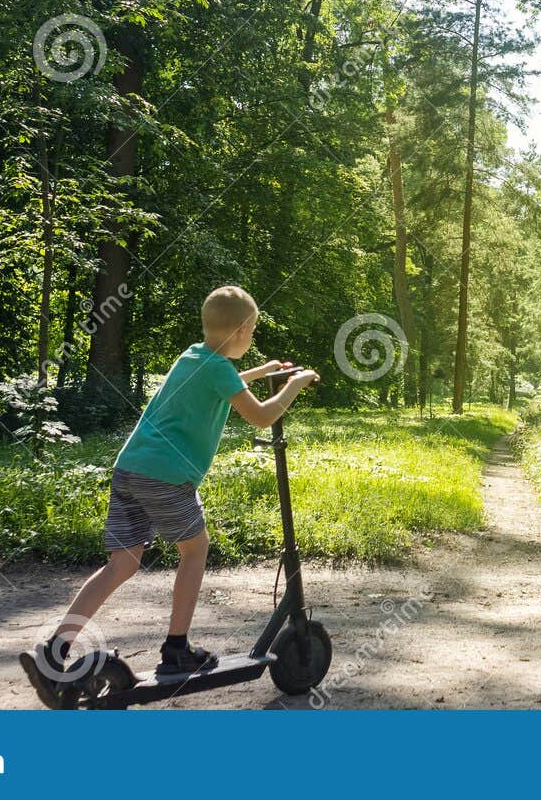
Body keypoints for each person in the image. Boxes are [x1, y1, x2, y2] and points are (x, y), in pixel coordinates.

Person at [20, 285, 319, 704]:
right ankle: (177, 648)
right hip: (165, 476)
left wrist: (260, 373)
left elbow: (221, 382)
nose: (250, 341)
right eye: (251, 332)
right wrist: (296, 384)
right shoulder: (218, 370)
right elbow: (260, 415)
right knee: (195, 550)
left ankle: (55, 651)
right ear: (241, 330)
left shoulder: (194, 356)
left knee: (121, 564)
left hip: (130, 470)